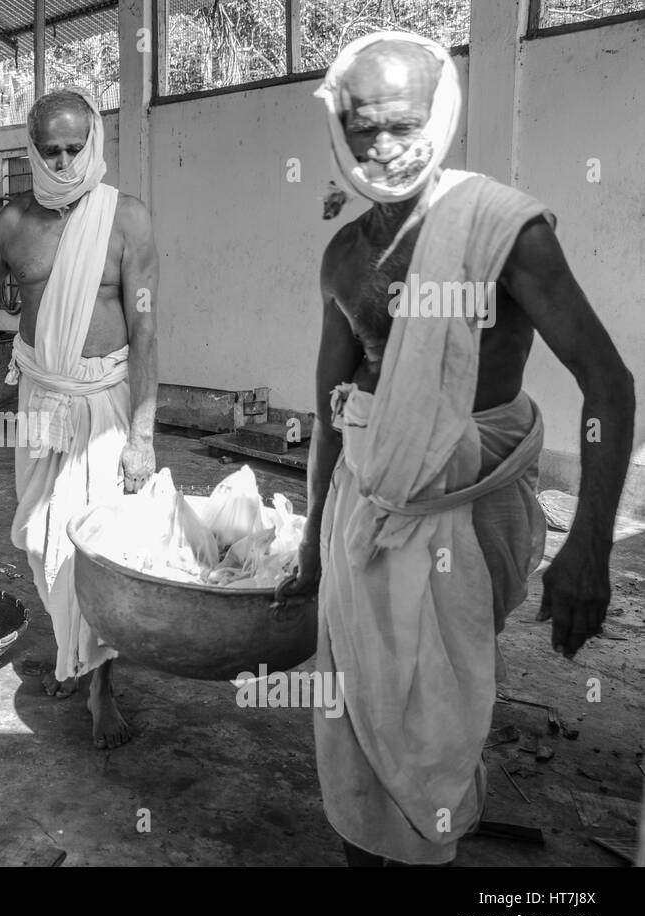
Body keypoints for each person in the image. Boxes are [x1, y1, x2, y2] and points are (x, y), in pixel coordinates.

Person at [276, 31, 635, 866]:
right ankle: (370, 840)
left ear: (441, 117)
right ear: (339, 132)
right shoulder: (342, 259)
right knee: (360, 699)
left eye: (405, 125)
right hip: (369, 507)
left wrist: (591, 548)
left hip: (468, 508)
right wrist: (312, 543)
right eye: (365, 130)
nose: (387, 148)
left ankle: (430, 828)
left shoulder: (503, 230)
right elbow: (332, 411)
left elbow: (609, 386)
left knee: (440, 700)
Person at [0, 89, 159, 749]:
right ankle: (77, 657)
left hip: (103, 403)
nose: (66, 160)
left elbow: (148, 330)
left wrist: (144, 433)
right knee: (43, 540)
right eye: (52, 150)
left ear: (94, 142)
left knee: (97, 548)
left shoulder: (125, 219)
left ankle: (103, 687)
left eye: (77, 147)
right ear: (32, 150)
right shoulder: (15, 224)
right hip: (41, 404)